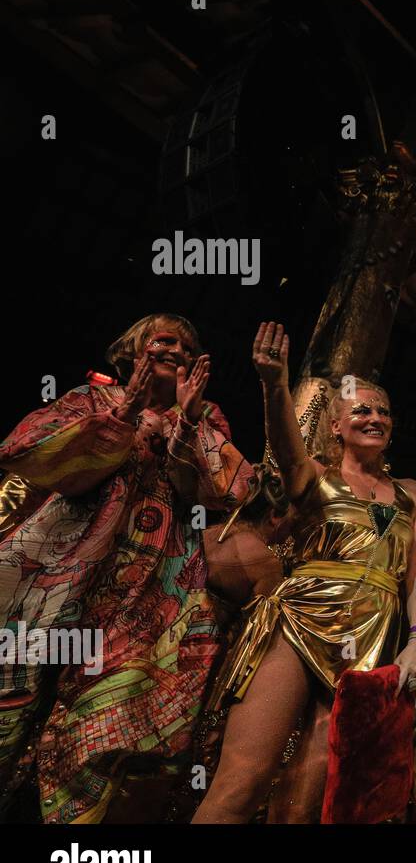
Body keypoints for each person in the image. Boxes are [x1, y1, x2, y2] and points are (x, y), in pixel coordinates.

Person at [0, 314, 252, 822]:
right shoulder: (90, 398)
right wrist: (125, 412)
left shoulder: (204, 416)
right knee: (16, 689)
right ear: (131, 350)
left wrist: (190, 421)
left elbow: (227, 491)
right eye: (160, 338)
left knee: (107, 714)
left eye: (185, 344)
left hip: (150, 586)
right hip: (63, 567)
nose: (173, 347)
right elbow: (25, 451)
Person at [191, 323, 416, 822]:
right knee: (244, 779)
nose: (375, 418)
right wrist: (274, 384)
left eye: (383, 411)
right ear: (337, 426)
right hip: (300, 620)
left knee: (312, 797)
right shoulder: (316, 476)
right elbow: (284, 447)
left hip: (370, 639)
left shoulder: (413, 493)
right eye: (361, 410)